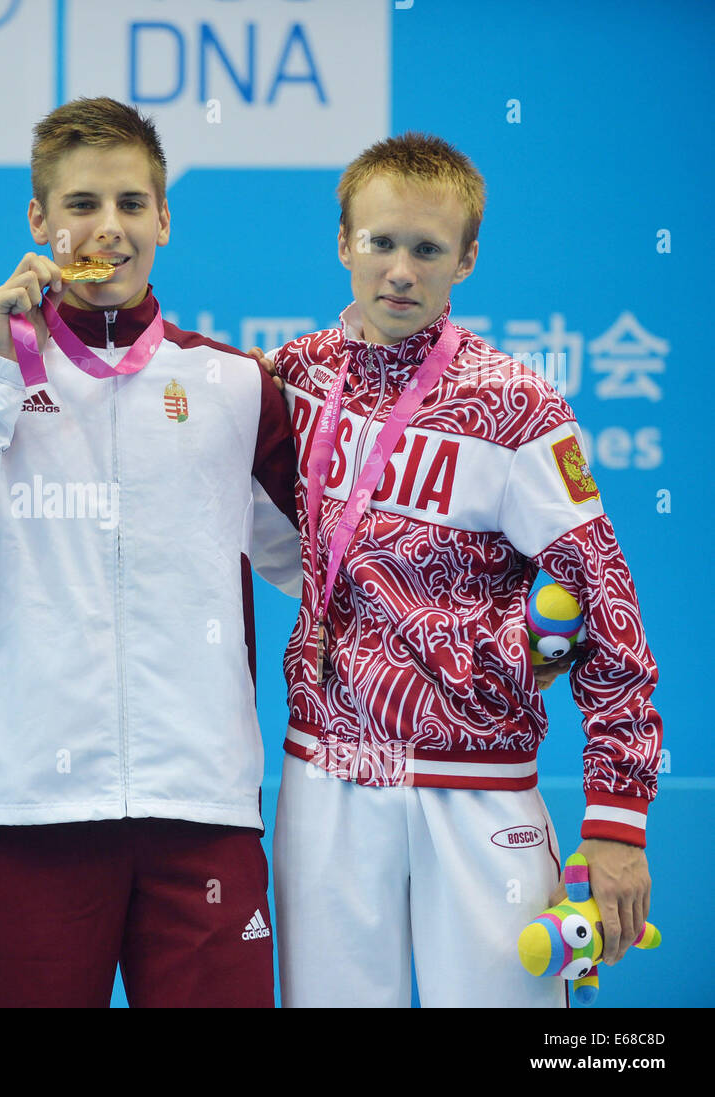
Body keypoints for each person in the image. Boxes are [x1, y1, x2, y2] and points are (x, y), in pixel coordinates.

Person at [0, 97, 302, 1008]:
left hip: (202, 806)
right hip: (34, 804)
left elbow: (327, 564)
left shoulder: (236, 385)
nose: (106, 229)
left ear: (164, 217)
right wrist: (6, 371)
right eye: (81, 204)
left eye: (130, 203)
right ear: (39, 222)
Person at [265, 133, 661, 1007]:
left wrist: (618, 821)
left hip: (476, 791)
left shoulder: (515, 406)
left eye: (428, 249)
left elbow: (608, 607)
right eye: (380, 242)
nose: (400, 270)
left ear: (467, 258)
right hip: (326, 775)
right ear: (343, 243)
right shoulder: (293, 377)